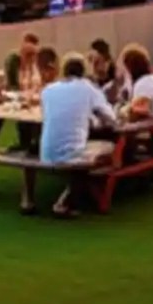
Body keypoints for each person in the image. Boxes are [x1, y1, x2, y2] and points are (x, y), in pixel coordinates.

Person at [35, 53, 118, 217]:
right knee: (111, 148)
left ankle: (54, 197)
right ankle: (73, 199)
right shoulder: (88, 88)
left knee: (76, 147)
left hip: (45, 153)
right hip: (73, 154)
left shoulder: (48, 90)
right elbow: (111, 118)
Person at [3, 32, 43, 98]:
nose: (30, 57)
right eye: (28, 54)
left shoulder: (36, 62)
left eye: (32, 54)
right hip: (17, 96)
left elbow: (39, 84)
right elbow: (11, 85)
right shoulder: (12, 60)